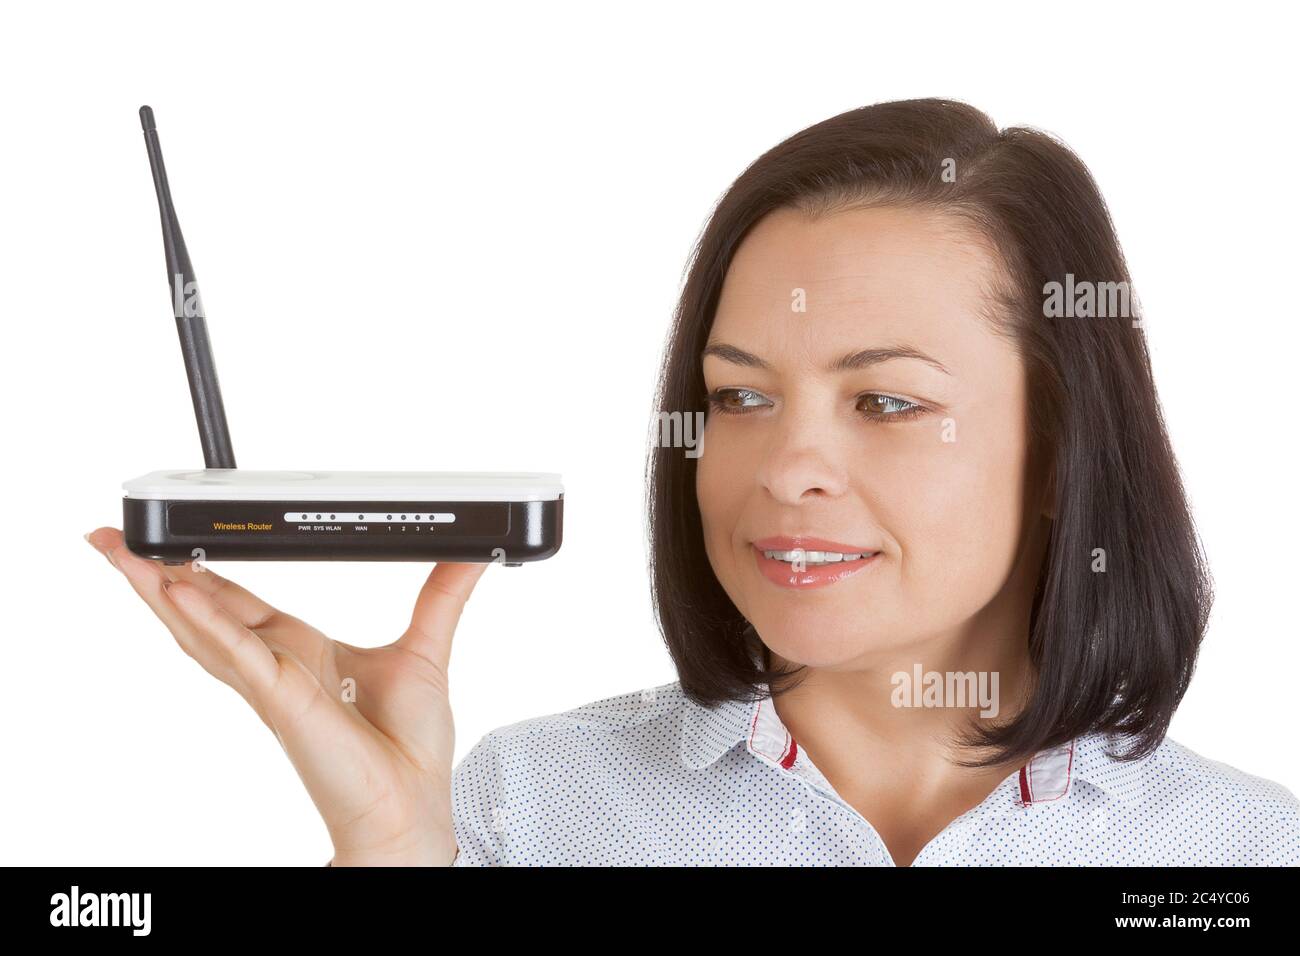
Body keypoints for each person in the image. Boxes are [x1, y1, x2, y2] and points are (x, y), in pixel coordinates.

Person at [87, 98, 1300, 866]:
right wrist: (392, 848)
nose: (785, 468)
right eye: (739, 396)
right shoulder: (530, 809)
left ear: (1063, 451)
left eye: (885, 402)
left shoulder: (1245, 853)